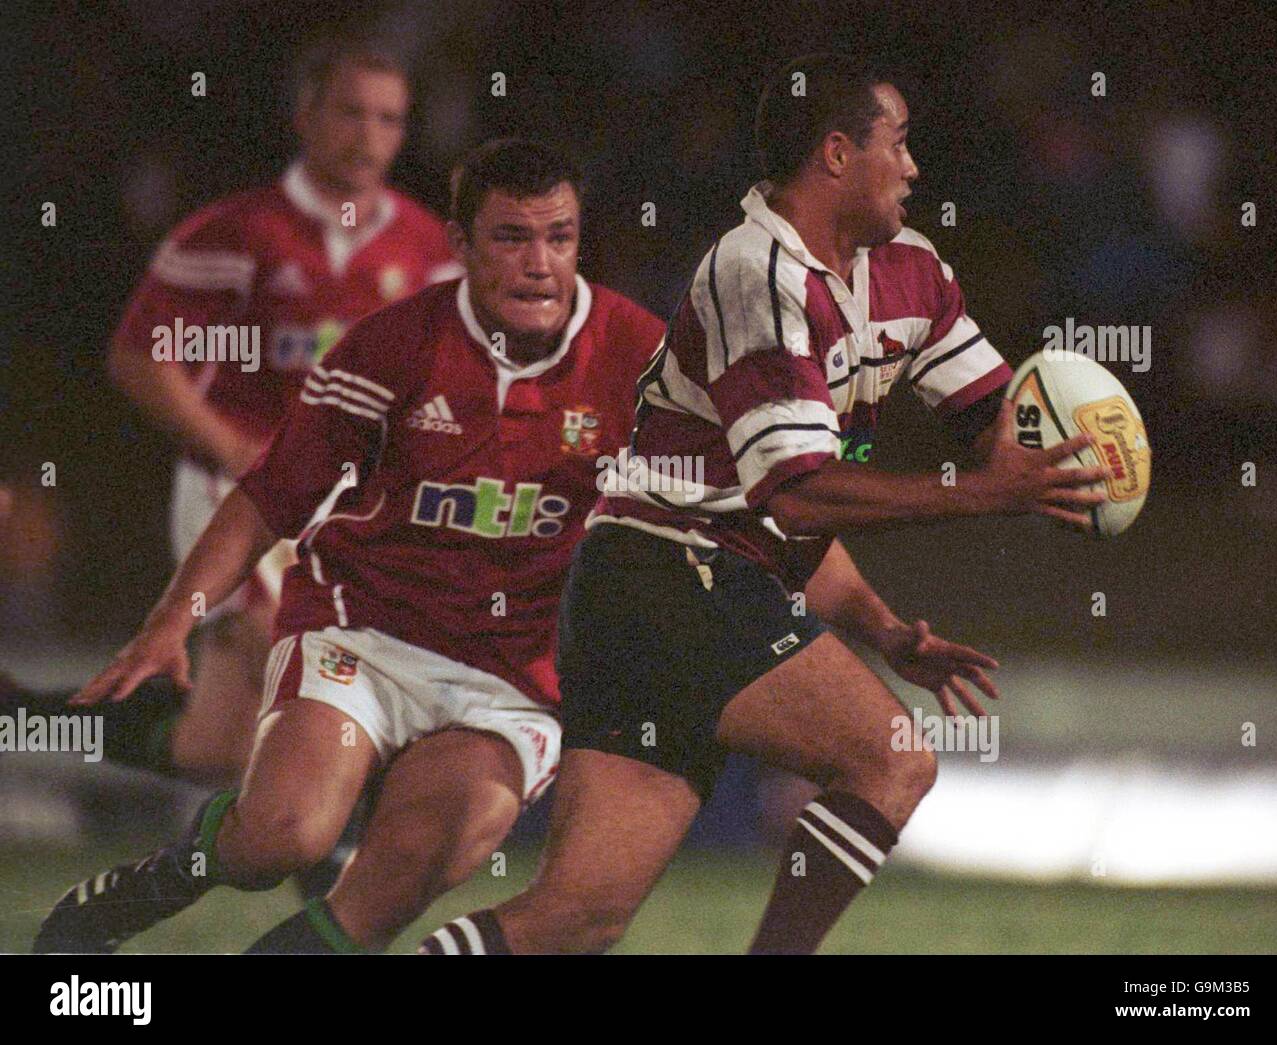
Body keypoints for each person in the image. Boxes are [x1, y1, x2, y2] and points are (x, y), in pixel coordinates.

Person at [418, 54, 1108, 956]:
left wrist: (1076, 467)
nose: (913, 168)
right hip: (666, 576)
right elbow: (797, 487)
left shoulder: (911, 269)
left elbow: (987, 430)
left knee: (570, 921)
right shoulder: (755, 273)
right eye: (897, 145)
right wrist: (986, 493)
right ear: (835, 154)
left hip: (667, 582)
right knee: (893, 753)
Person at [33, 138, 668, 955]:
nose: (540, 263)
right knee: (283, 836)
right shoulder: (392, 345)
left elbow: (732, 500)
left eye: (560, 237)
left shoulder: (642, 361)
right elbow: (269, 496)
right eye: (511, 237)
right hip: (367, 632)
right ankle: (158, 880)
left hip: (514, 675)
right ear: (461, 246)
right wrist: (169, 620)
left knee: (412, 863)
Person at [3, 38, 459, 787]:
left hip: (344, 510)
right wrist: (231, 444)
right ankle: (333, 876)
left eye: (388, 119)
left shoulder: (428, 251)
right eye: (350, 112)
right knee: (301, 667)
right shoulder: (239, 231)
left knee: (216, 745)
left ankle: (18, 711)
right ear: (305, 115)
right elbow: (138, 357)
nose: (368, 135)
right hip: (235, 498)